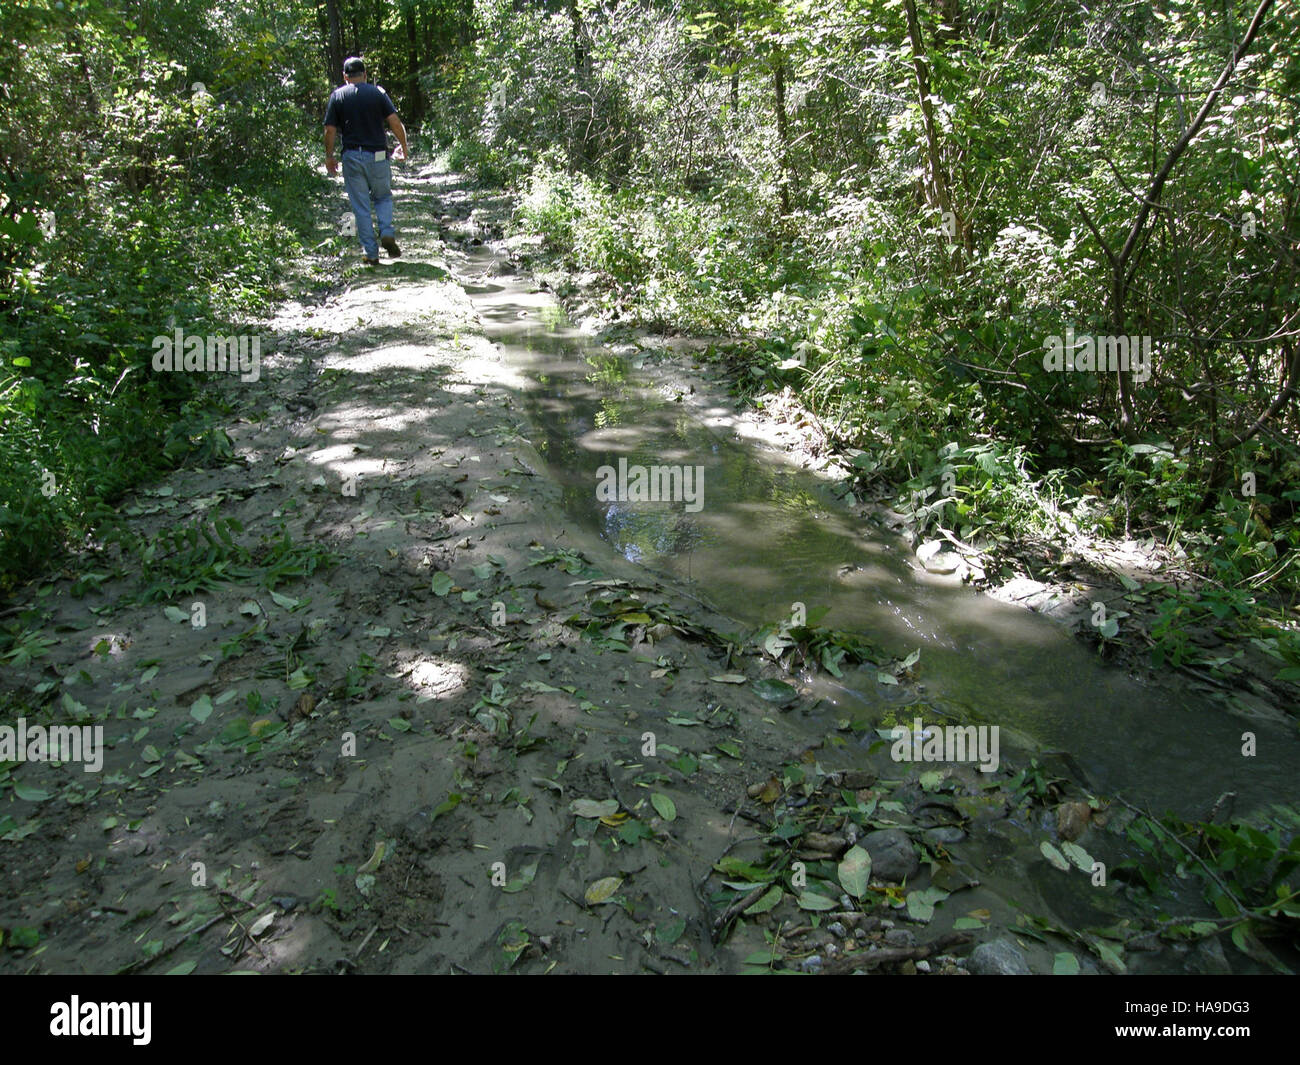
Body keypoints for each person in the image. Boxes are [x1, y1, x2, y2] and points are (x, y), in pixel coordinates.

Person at [323, 57, 410, 266]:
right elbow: (395, 122)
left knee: (361, 206)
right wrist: (404, 147)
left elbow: (330, 130)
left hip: (352, 156)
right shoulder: (377, 93)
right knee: (382, 197)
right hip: (379, 155)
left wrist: (329, 155)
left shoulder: (338, 96)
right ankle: (387, 232)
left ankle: (371, 254)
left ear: (345, 77)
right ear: (365, 74)